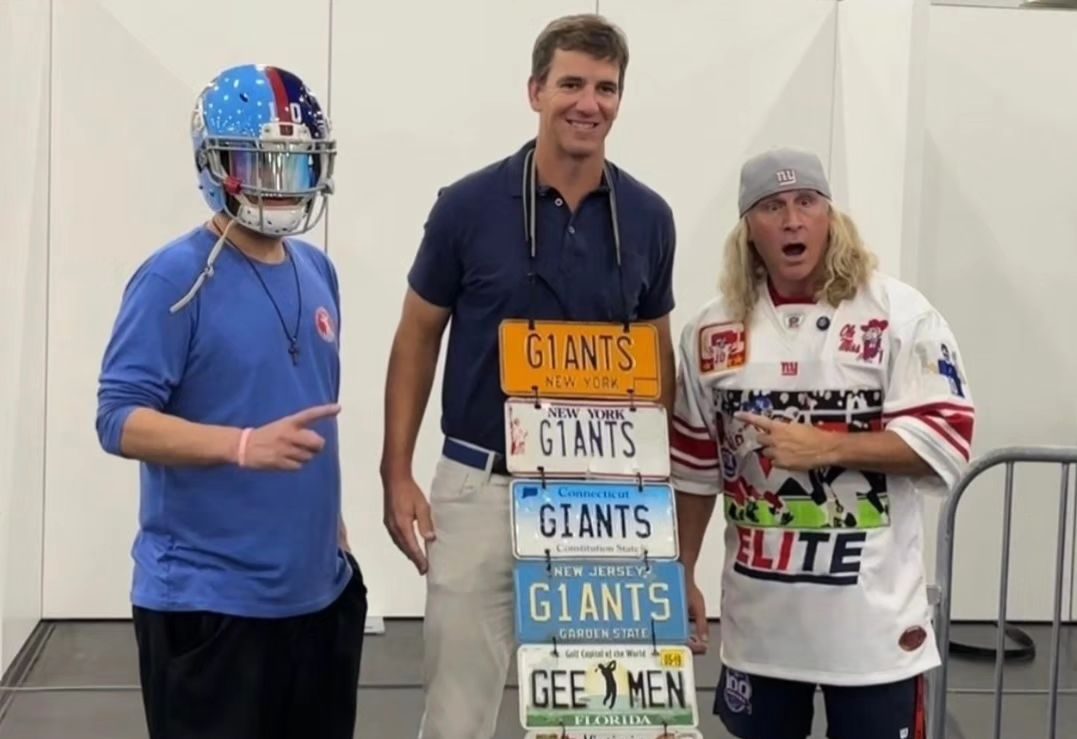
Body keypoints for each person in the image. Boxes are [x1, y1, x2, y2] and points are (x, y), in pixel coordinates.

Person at [380, 14, 677, 739]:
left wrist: (649, 494)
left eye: (605, 88)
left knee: (599, 718)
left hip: (599, 502)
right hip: (480, 485)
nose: (588, 103)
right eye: (571, 84)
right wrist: (396, 471)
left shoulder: (648, 217)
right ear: (535, 91)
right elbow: (417, 336)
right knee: (456, 719)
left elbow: (655, 359)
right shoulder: (467, 207)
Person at [95, 64, 366, 739]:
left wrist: (328, 523)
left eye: (295, 162)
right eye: (259, 162)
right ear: (216, 164)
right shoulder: (174, 277)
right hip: (208, 605)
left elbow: (308, 400)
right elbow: (117, 418)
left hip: (317, 597)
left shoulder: (318, 270)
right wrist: (241, 445)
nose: (280, 181)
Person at [671, 147, 975, 739]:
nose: (792, 221)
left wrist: (827, 448)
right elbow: (694, 468)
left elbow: (945, 440)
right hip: (759, 628)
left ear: (830, 216)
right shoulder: (712, 330)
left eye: (806, 202)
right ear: (747, 229)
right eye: (772, 207)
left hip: (873, 631)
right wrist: (681, 571)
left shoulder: (898, 314)